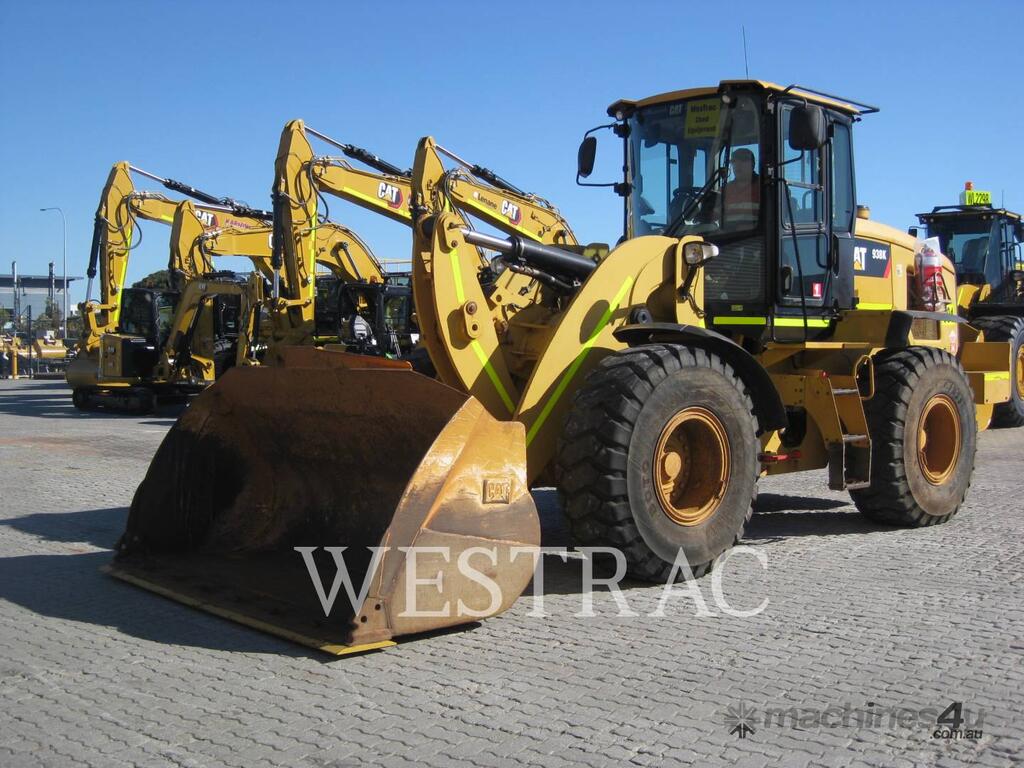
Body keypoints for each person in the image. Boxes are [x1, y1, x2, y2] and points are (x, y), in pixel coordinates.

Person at [722, 148, 760, 225]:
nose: (738, 164)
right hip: (727, 235)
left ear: (753, 164)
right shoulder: (725, 190)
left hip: (756, 236)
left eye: (743, 160)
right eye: (734, 161)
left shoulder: (766, 187)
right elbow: (713, 216)